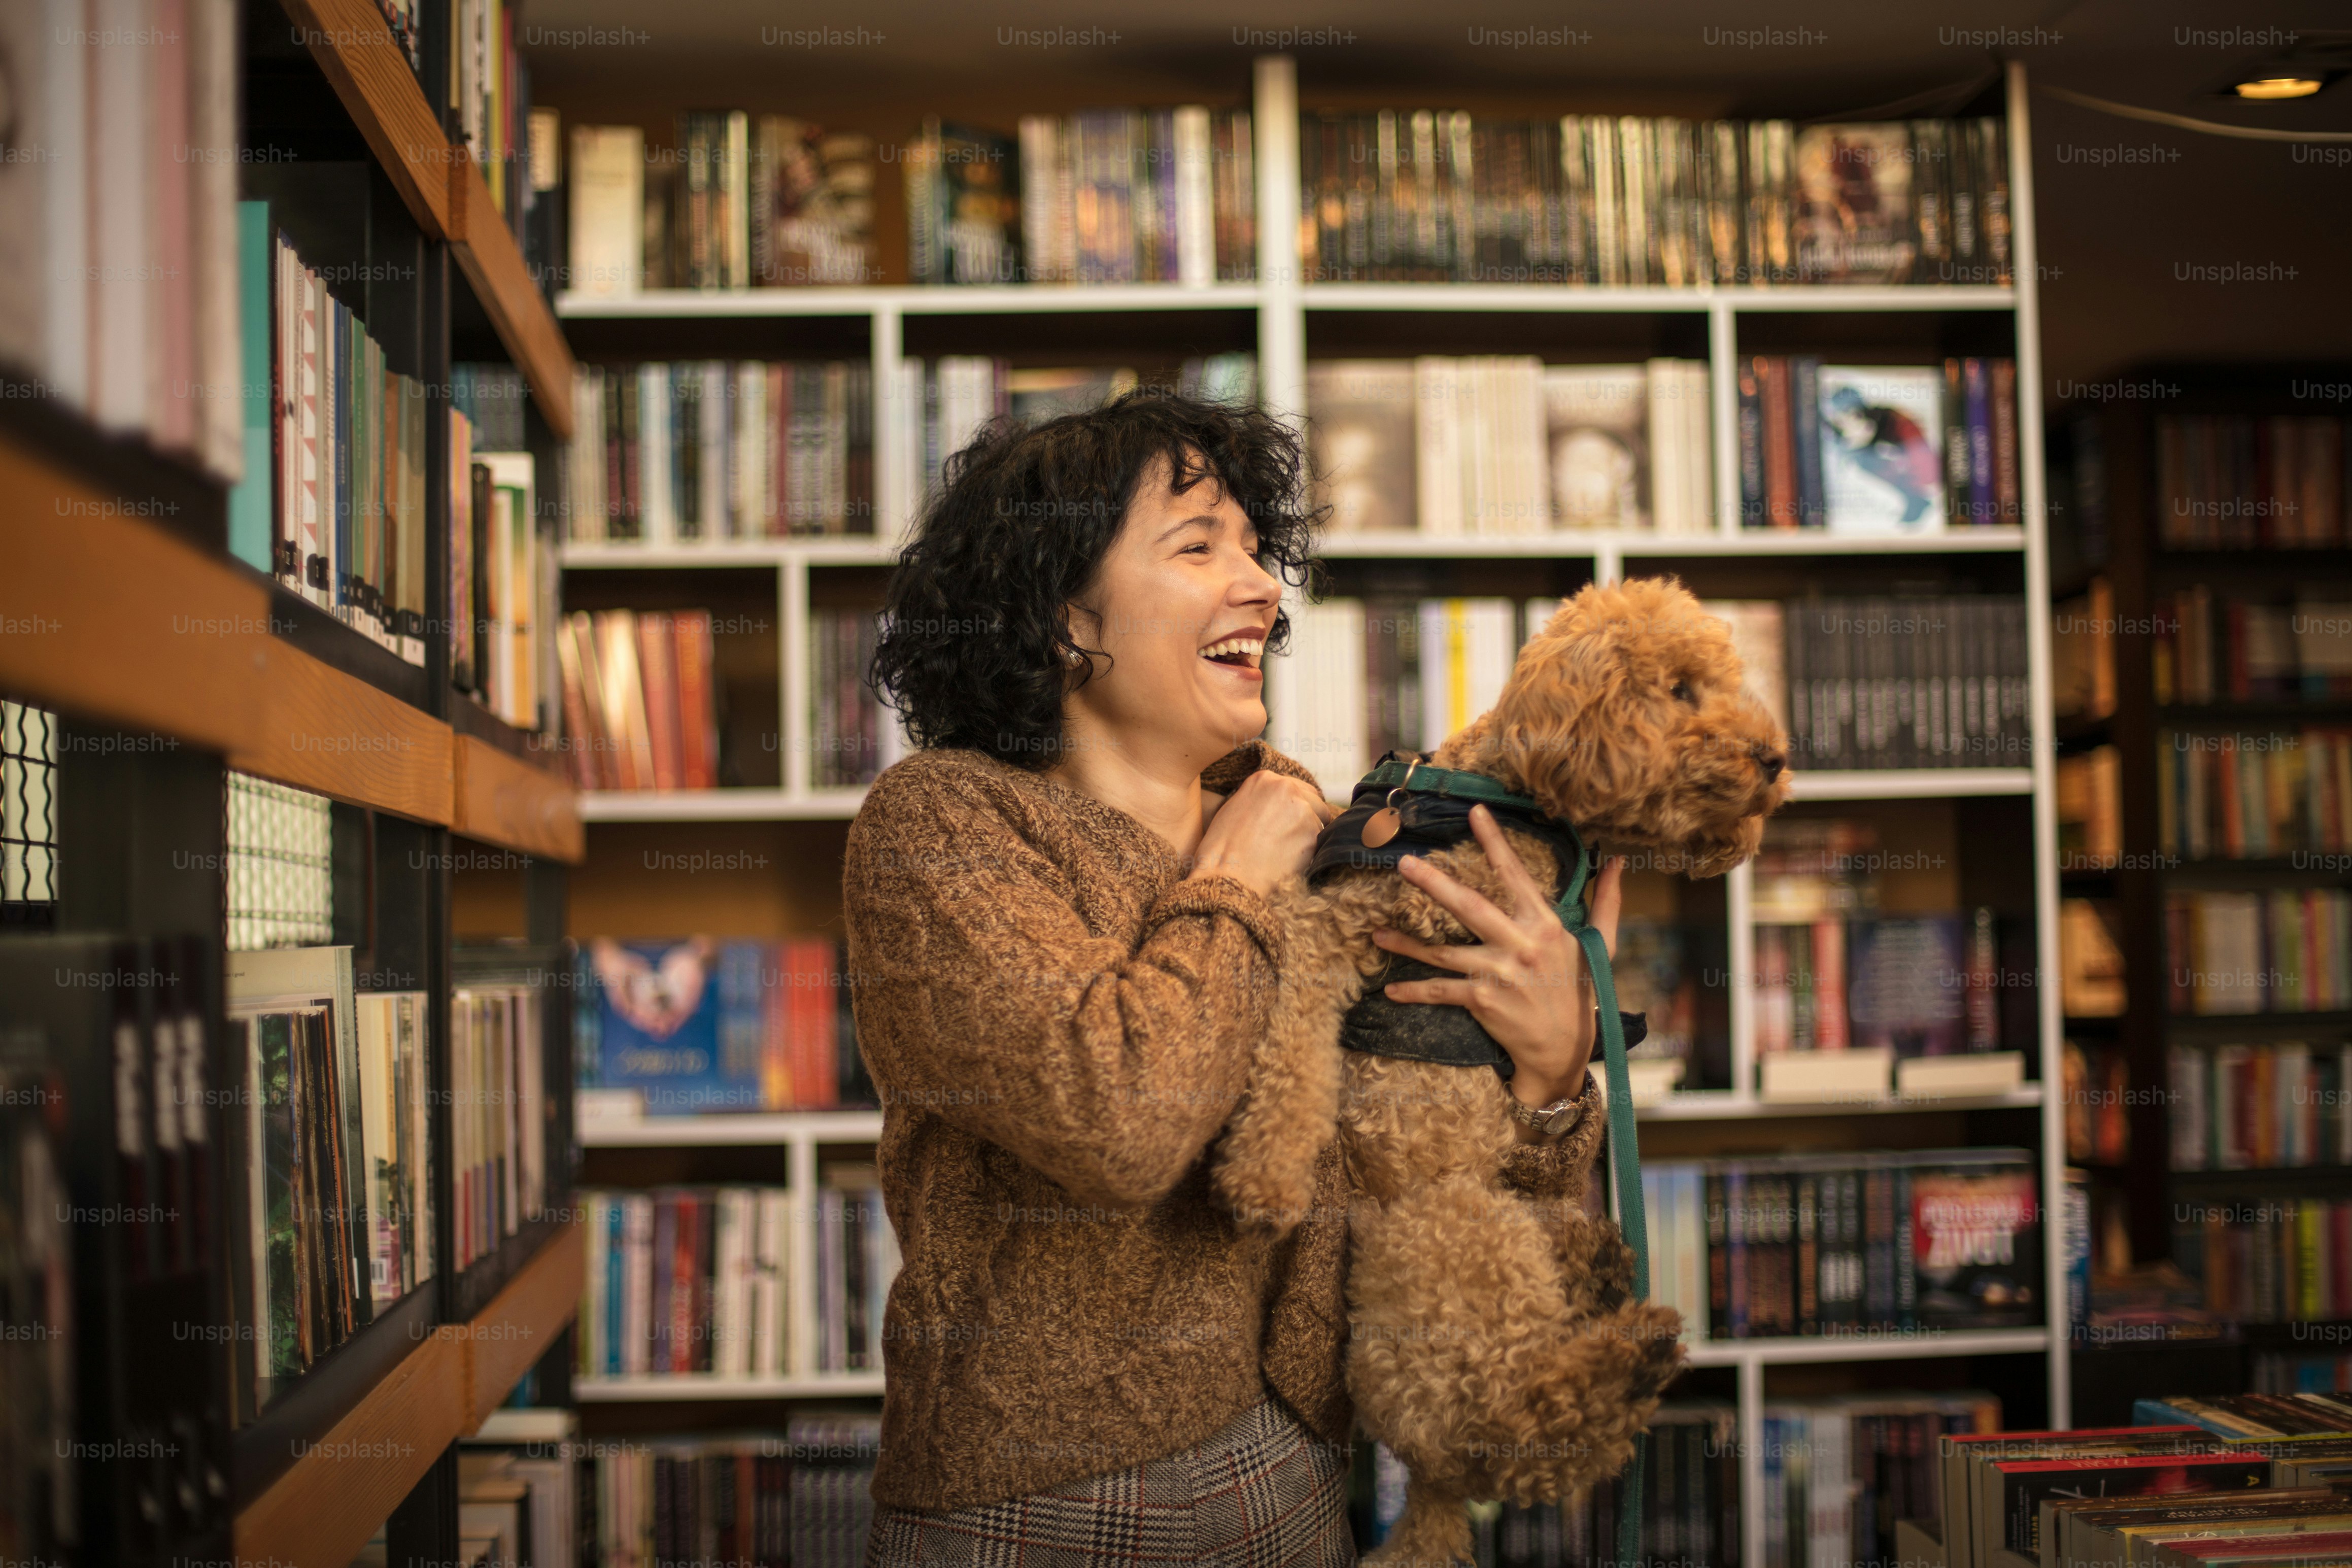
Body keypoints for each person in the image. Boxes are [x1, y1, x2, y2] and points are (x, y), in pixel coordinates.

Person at [845, 389, 1623, 1561]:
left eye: (1258, 550)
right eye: (1197, 545)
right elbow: (1116, 1122)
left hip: (1292, 1463)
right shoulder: (940, 827)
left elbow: (1417, 1167)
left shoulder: (1306, 818)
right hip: (1035, 1493)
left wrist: (1551, 1079)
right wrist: (1234, 884)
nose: (1261, 584)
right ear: (1061, 617)